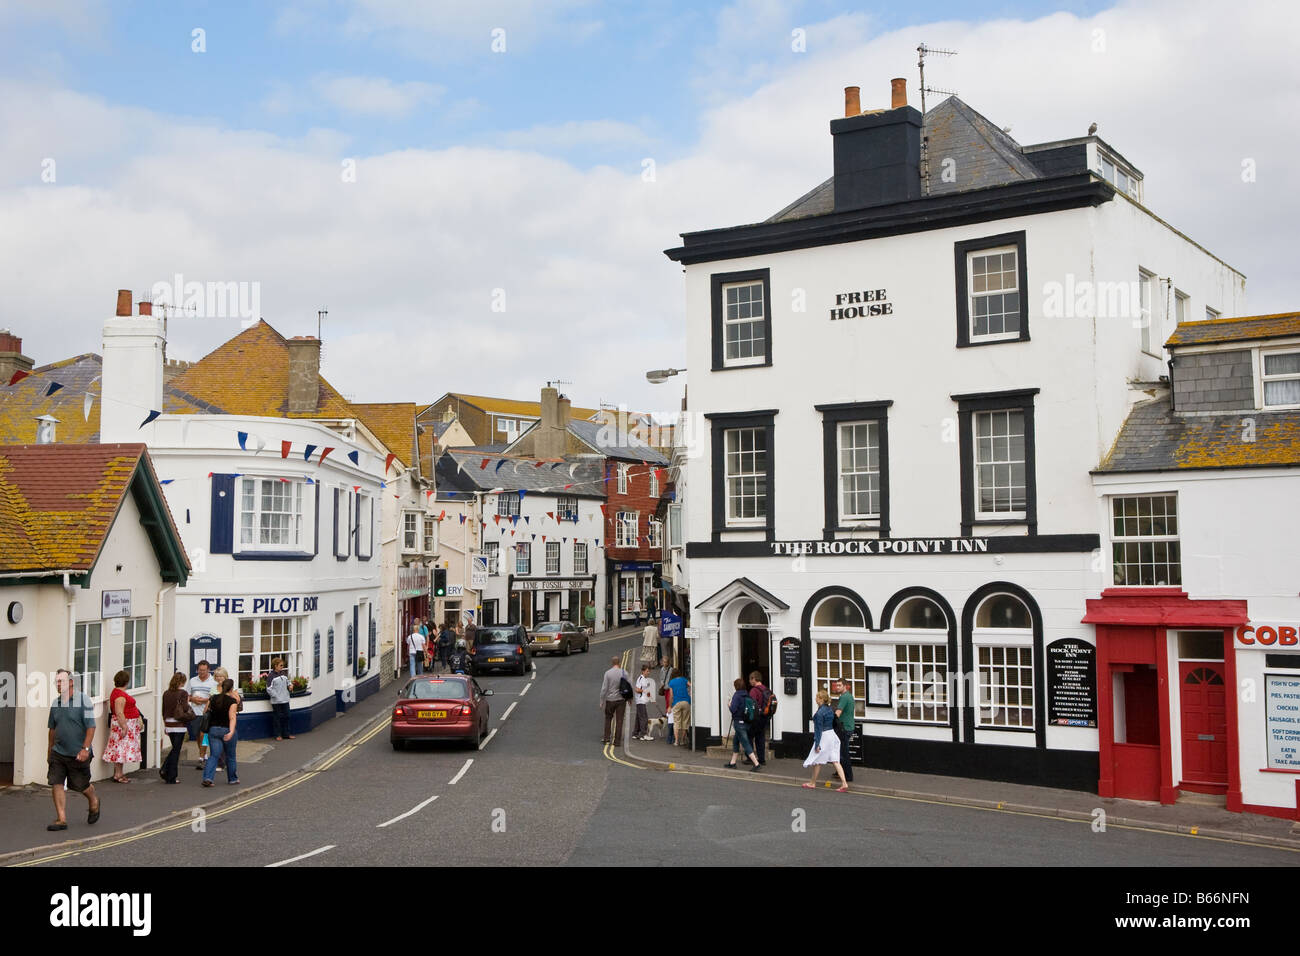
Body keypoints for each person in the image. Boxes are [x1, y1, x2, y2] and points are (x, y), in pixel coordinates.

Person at [46, 669, 100, 831]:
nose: (58, 684)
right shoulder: (56, 703)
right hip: (58, 752)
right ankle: (61, 819)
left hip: (78, 753)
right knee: (56, 782)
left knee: (80, 786)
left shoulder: (84, 701)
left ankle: (94, 800)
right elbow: (52, 729)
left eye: (61, 681)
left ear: (70, 682)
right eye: (56, 681)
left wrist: (85, 749)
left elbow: (91, 727)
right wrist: (49, 750)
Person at [802, 689, 848, 791]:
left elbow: (818, 730)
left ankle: (812, 783)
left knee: (817, 760)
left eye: (817, 697)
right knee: (835, 760)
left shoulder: (819, 713)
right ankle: (844, 783)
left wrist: (817, 744)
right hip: (832, 735)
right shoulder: (830, 709)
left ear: (821, 699)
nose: (815, 699)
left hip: (824, 736)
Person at [103, 670, 142, 783]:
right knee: (121, 749)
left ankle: (119, 773)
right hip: (123, 723)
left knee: (121, 749)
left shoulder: (117, 692)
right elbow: (119, 712)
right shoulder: (120, 695)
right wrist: (124, 727)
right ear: (127, 681)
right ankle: (118, 774)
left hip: (123, 723)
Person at [202, 678, 240, 787]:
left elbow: (205, 711)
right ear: (231, 688)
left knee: (214, 755)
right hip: (226, 729)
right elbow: (232, 718)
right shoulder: (232, 701)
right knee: (231, 756)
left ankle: (208, 778)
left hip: (213, 730)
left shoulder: (213, 698)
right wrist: (231, 731)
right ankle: (232, 779)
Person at [160, 672, 192, 784]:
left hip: (169, 723)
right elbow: (184, 708)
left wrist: (165, 725)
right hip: (179, 724)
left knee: (175, 749)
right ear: (182, 682)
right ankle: (170, 776)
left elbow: (163, 710)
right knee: (176, 751)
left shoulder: (166, 693)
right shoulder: (183, 693)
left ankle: (166, 770)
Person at [186, 659, 217, 771]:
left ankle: (201, 756)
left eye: (204, 670)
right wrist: (193, 699)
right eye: (200, 670)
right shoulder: (192, 680)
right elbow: (187, 695)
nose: (202, 672)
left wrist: (205, 700)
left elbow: (214, 696)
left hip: (206, 712)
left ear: (208, 670)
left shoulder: (213, 681)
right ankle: (203, 754)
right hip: (194, 712)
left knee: (203, 734)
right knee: (197, 735)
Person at [725, 678, 762, 771]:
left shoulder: (737, 695)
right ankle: (733, 763)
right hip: (747, 722)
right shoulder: (747, 694)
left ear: (736, 686)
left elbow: (733, 710)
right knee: (735, 741)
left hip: (739, 723)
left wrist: (729, 705)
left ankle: (756, 764)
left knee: (745, 743)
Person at [599, 656, 631, 746]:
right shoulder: (624, 673)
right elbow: (628, 687)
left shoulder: (608, 673)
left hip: (610, 700)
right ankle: (617, 741)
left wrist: (601, 700)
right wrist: (629, 698)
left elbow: (604, 689)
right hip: (621, 700)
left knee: (608, 719)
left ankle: (606, 738)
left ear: (612, 663)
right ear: (619, 663)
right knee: (619, 720)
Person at [833, 676, 856, 783]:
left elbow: (838, 713)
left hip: (844, 728)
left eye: (839, 685)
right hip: (848, 726)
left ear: (845, 686)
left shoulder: (844, 697)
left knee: (843, 753)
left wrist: (829, 721)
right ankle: (840, 772)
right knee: (840, 751)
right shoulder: (849, 696)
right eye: (836, 685)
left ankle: (848, 776)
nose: (837, 687)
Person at [748, 670, 772, 766]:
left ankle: (750, 758)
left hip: (756, 718)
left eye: (750, 679)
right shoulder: (766, 689)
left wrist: (749, 718)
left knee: (749, 736)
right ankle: (761, 759)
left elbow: (751, 705)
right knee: (760, 738)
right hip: (765, 717)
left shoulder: (754, 690)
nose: (750, 681)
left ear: (754, 679)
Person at [267, 657, 294, 740]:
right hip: (276, 701)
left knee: (287, 716)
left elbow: (288, 682)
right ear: (275, 666)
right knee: (277, 717)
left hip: (285, 699)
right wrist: (276, 696)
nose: (282, 667)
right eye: (281, 665)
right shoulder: (271, 676)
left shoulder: (283, 673)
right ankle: (277, 735)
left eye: (283, 665)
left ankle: (286, 734)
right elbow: (269, 688)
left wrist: (290, 685)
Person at [666, 668, 691, 748]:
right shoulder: (684, 679)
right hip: (686, 702)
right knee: (685, 721)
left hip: (677, 703)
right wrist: (690, 694)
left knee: (676, 722)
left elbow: (671, 696)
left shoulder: (671, 682)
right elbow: (691, 685)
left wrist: (670, 706)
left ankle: (676, 741)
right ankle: (682, 740)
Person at [633, 664, 656, 740]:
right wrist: (644, 691)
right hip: (640, 701)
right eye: (647, 671)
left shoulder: (645, 679)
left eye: (649, 671)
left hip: (643, 701)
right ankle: (643, 734)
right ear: (643, 671)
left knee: (638, 717)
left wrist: (651, 698)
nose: (648, 672)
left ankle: (635, 733)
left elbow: (646, 691)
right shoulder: (640, 678)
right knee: (644, 718)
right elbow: (637, 689)